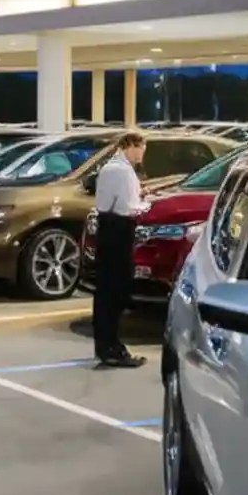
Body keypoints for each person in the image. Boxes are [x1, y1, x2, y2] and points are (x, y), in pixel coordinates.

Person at [91, 132, 149, 368]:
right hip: (118, 231)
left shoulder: (110, 167)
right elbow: (128, 208)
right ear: (131, 146)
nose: (142, 155)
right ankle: (112, 347)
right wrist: (146, 204)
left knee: (105, 290)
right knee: (115, 291)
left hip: (107, 229)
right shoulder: (123, 171)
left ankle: (106, 345)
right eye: (142, 149)